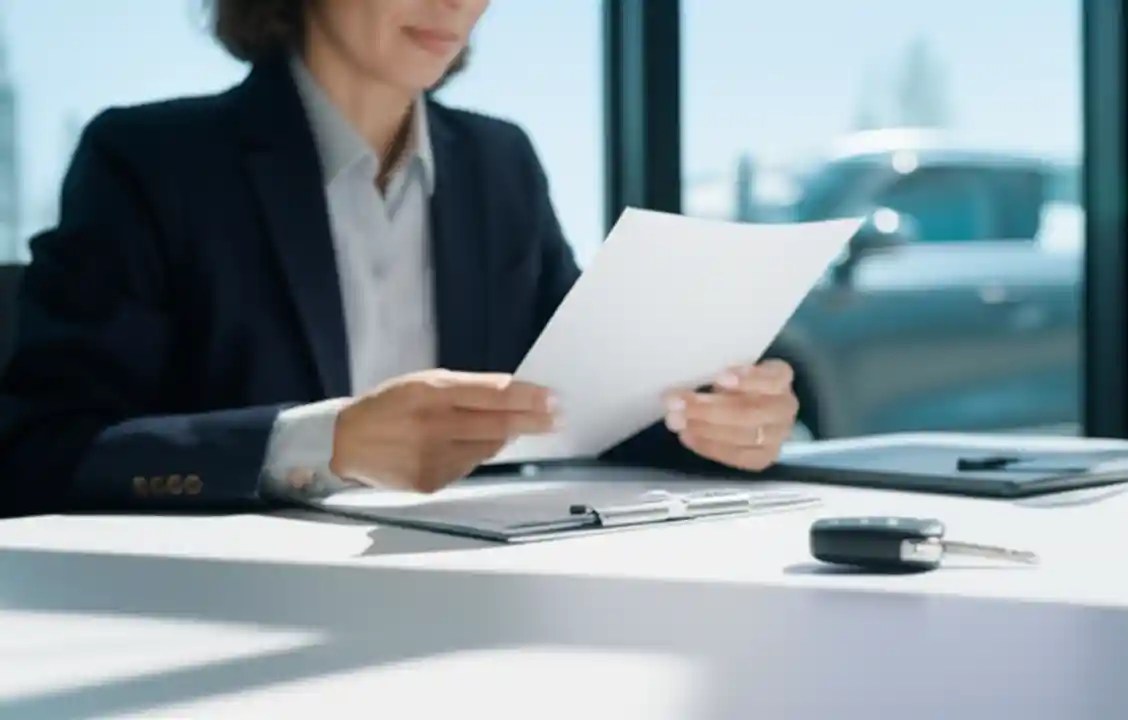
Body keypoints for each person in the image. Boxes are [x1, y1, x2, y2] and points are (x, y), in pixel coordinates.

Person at [0, 0, 799, 516]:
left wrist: (716, 423)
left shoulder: (499, 165)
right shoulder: (150, 164)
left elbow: (580, 409)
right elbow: (44, 452)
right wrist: (329, 442)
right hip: (230, 624)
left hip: (468, 615)